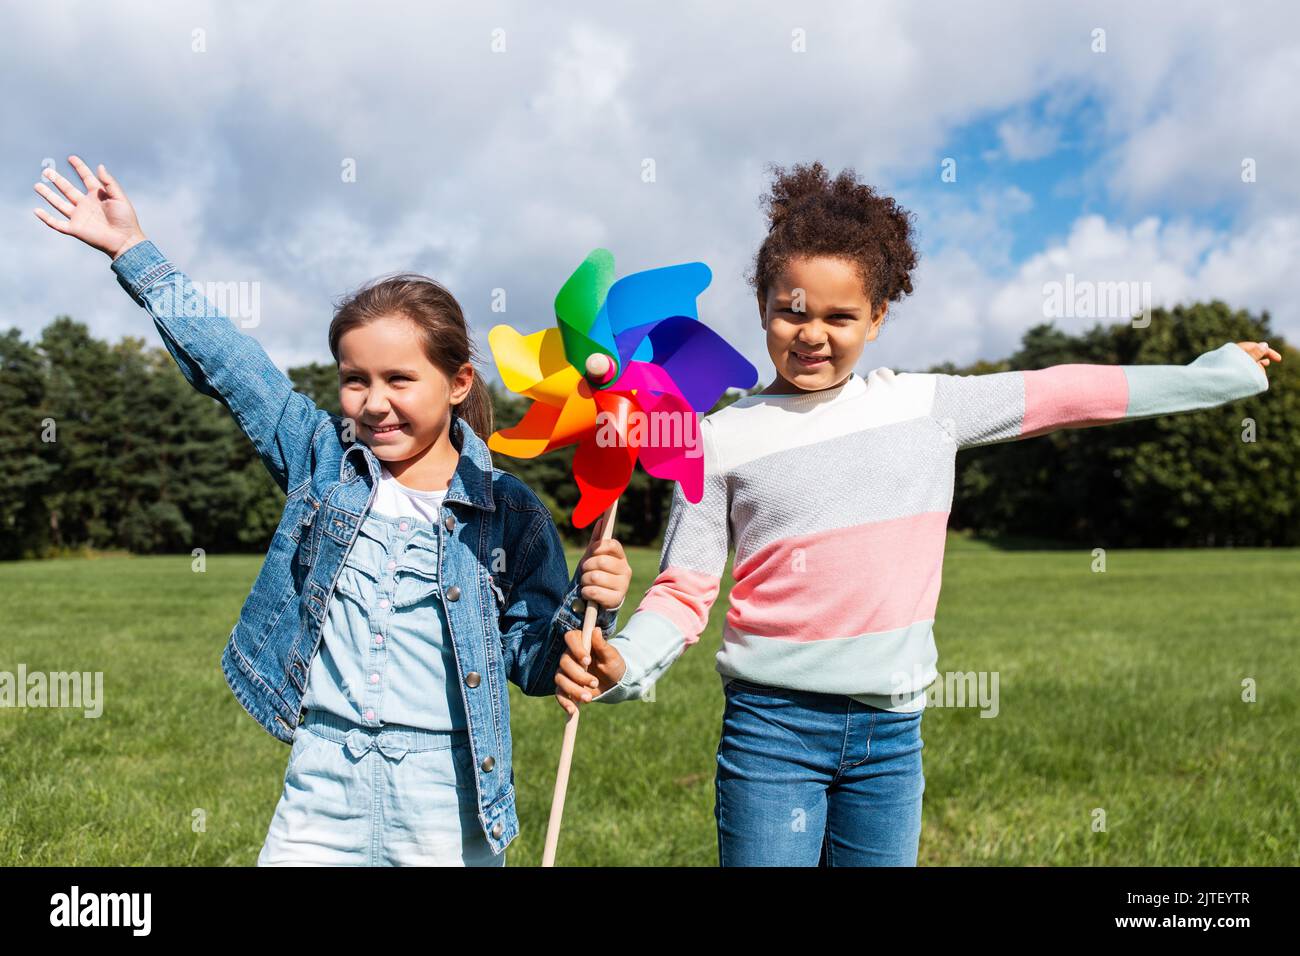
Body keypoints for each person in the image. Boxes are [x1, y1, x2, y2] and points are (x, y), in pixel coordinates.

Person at [552, 160, 1280, 866]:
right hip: (771, 730)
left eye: (842, 316)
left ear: (878, 318)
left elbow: (1065, 391)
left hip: (891, 736)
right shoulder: (715, 440)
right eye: (791, 310)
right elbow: (684, 591)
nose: (813, 333)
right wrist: (627, 663)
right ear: (764, 307)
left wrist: (1208, 377)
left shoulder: (925, 406)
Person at [34, 154, 632, 865]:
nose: (373, 402)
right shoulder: (324, 463)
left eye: (399, 379)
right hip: (323, 782)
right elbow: (232, 366)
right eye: (355, 380)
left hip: (446, 797)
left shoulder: (508, 510)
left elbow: (533, 659)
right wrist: (134, 252)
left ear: (457, 380)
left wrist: (593, 618)